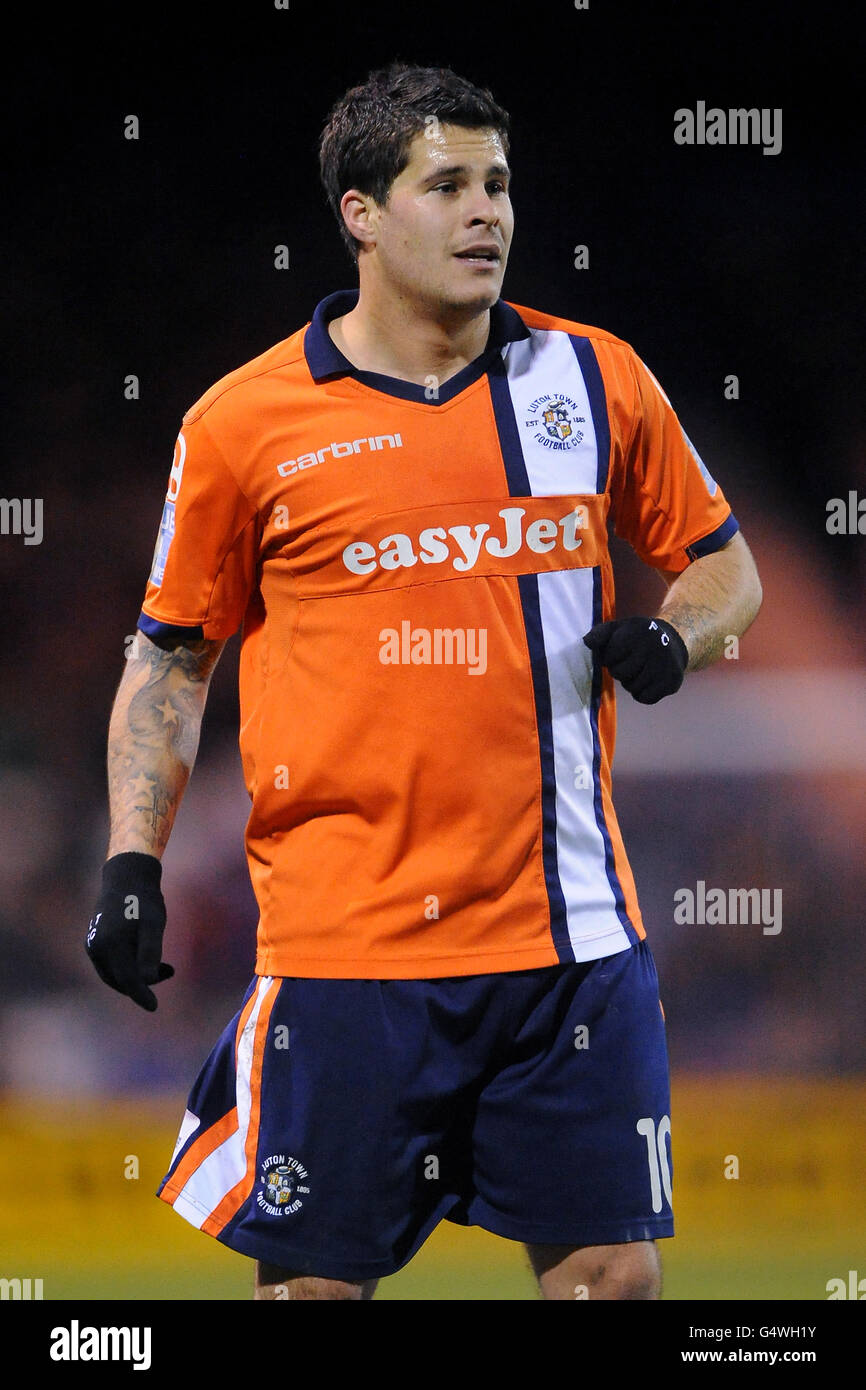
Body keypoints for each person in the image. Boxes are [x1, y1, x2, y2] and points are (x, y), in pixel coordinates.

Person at [85, 60, 762, 1301]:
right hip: (346, 949)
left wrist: (675, 641)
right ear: (359, 212)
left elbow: (725, 570)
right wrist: (133, 860)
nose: (486, 212)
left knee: (614, 1277)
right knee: (313, 1293)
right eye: (445, 184)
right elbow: (170, 656)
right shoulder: (242, 425)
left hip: (568, 936)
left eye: (497, 183)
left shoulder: (595, 377)